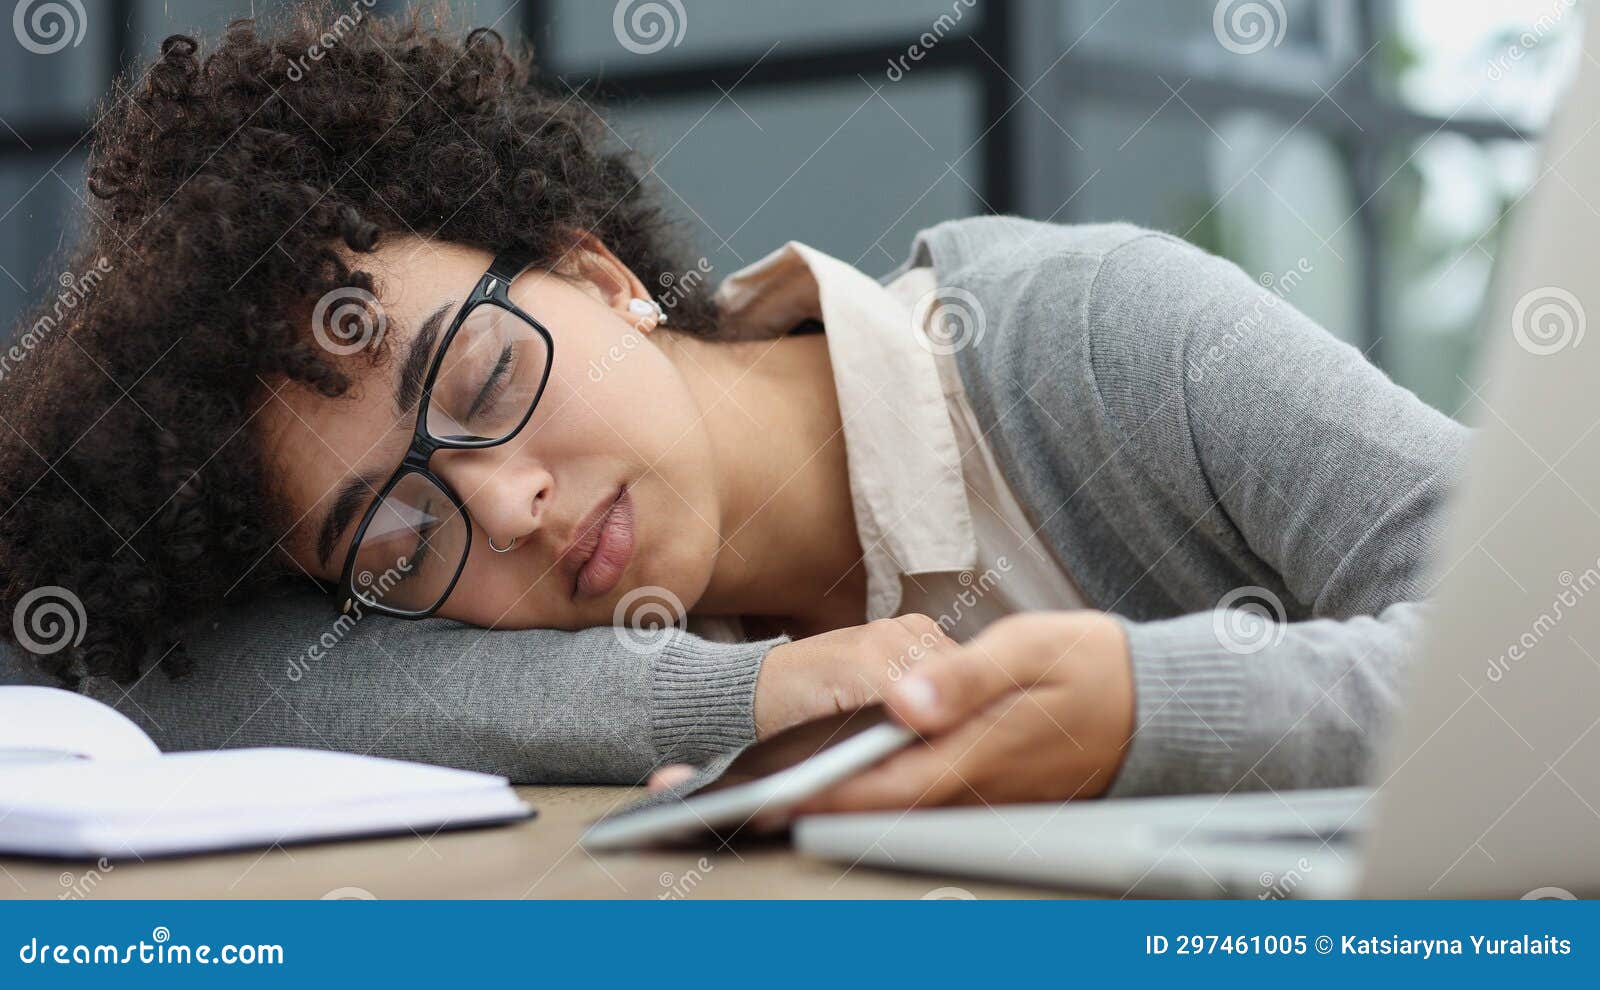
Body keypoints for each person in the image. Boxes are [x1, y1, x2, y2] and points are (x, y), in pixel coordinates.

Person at [0, 7, 1465, 805]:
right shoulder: (576, 645)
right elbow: (158, 690)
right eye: (396, 542)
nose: (505, 505)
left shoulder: (1093, 339)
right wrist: (750, 692)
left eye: (487, 377)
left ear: (599, 266)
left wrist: (1147, 716)